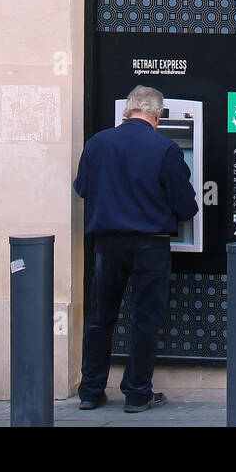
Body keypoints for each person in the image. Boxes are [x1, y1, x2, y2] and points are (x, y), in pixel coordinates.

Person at [74, 84, 199, 412]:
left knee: (101, 317)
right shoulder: (165, 148)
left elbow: (82, 188)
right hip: (150, 245)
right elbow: (186, 204)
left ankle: (90, 391)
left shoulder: (97, 143)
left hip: (107, 243)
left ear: (126, 111)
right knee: (145, 319)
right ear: (157, 115)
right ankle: (137, 393)